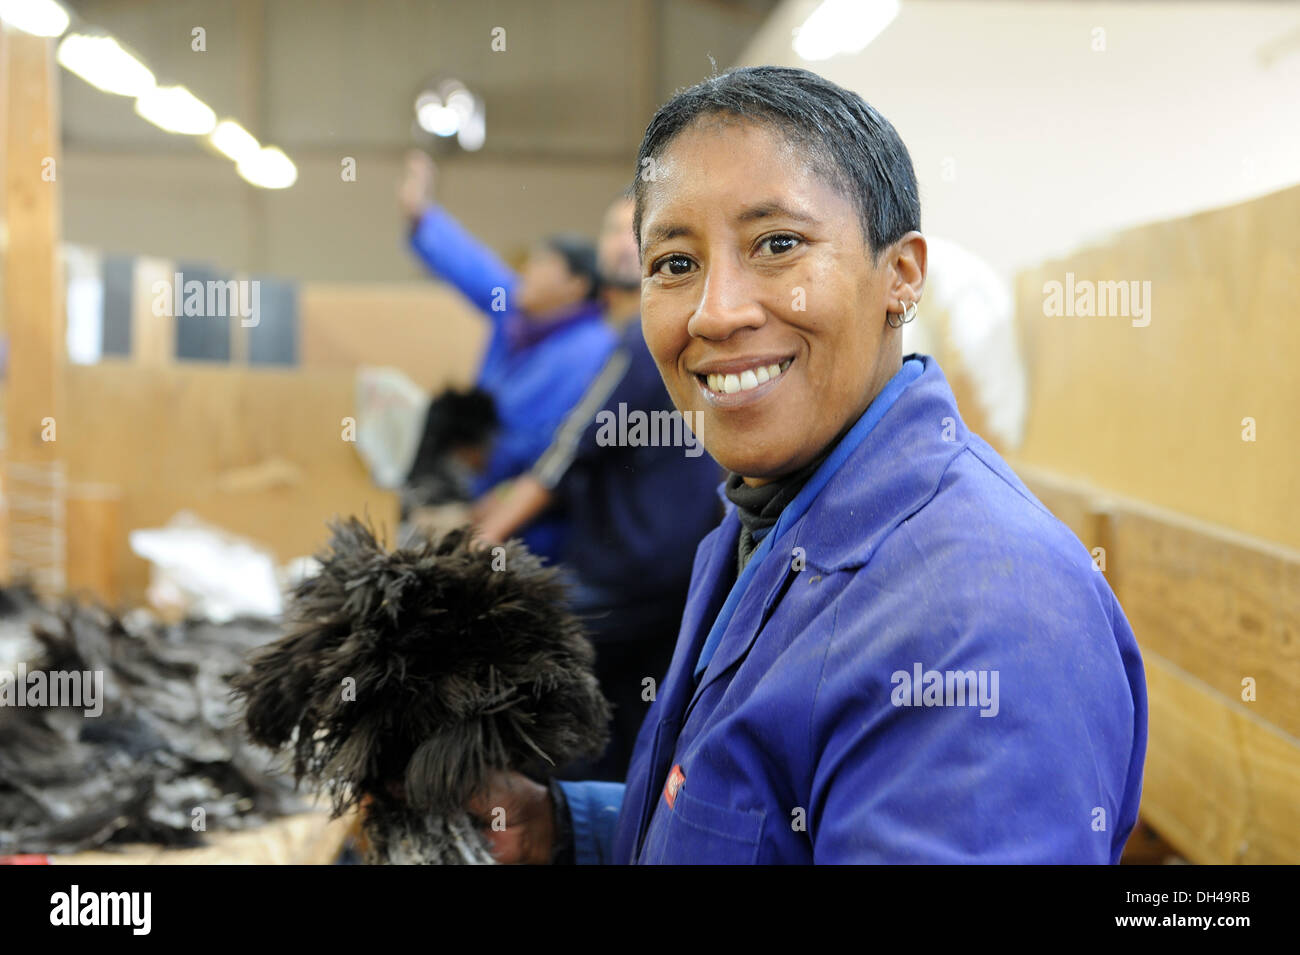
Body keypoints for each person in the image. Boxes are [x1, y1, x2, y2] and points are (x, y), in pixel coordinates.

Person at [465, 66, 1148, 864]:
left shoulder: (977, 617)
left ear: (902, 276)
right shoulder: (764, 517)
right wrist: (565, 828)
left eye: (778, 244)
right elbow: (764, 816)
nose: (716, 311)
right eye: (675, 264)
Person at [475, 193, 723, 780]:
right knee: (632, 725)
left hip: (630, 571)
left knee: (523, 672)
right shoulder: (667, 332)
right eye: (611, 229)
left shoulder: (641, 338)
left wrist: (482, 536)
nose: (618, 242)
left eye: (634, 231)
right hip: (678, 572)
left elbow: (568, 454)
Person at [399, 152, 615, 561]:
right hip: (482, 497)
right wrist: (420, 215)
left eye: (542, 264)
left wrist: (495, 494)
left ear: (575, 284)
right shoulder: (517, 315)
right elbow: (474, 268)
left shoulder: (593, 351)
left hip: (539, 525)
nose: (527, 272)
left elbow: (561, 451)